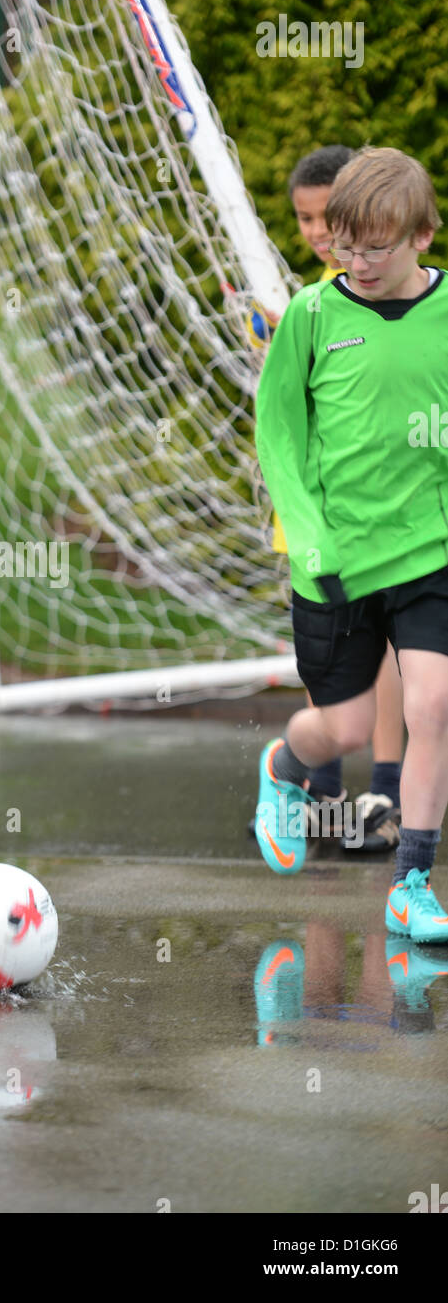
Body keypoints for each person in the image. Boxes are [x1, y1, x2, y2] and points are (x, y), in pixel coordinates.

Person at [254, 146, 448, 943]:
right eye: (343, 243)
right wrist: (307, 540)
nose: (356, 261)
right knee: (340, 729)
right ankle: (284, 771)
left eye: (376, 245)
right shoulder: (308, 316)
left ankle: (411, 881)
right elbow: (278, 438)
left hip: (429, 553)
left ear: (422, 238)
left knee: (433, 703)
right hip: (333, 560)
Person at [262, 146, 405, 851]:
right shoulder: (310, 306)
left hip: (390, 525)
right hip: (316, 523)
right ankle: (320, 791)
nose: (318, 232)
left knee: (392, 660)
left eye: (328, 217)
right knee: (332, 672)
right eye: (305, 219)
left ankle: (382, 789)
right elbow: (284, 421)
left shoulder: (385, 288)